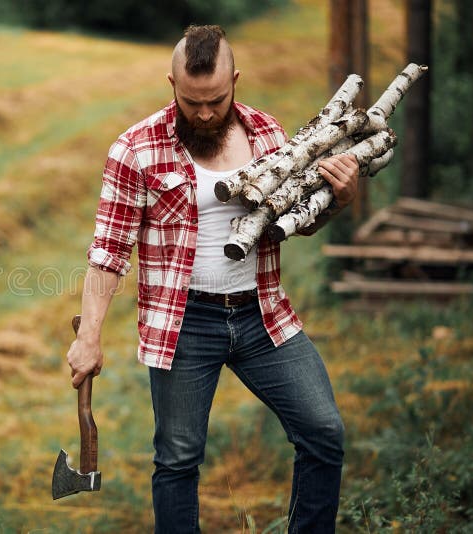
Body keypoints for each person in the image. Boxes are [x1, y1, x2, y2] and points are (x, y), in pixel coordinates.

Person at [67, 24, 358, 533]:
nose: (203, 113)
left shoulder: (269, 135)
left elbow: (300, 222)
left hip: (262, 315)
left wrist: (339, 199)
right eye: (191, 101)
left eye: (216, 101)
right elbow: (109, 250)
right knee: (178, 459)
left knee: (323, 431)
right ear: (172, 84)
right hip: (183, 324)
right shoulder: (136, 149)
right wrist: (89, 336)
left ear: (235, 81)